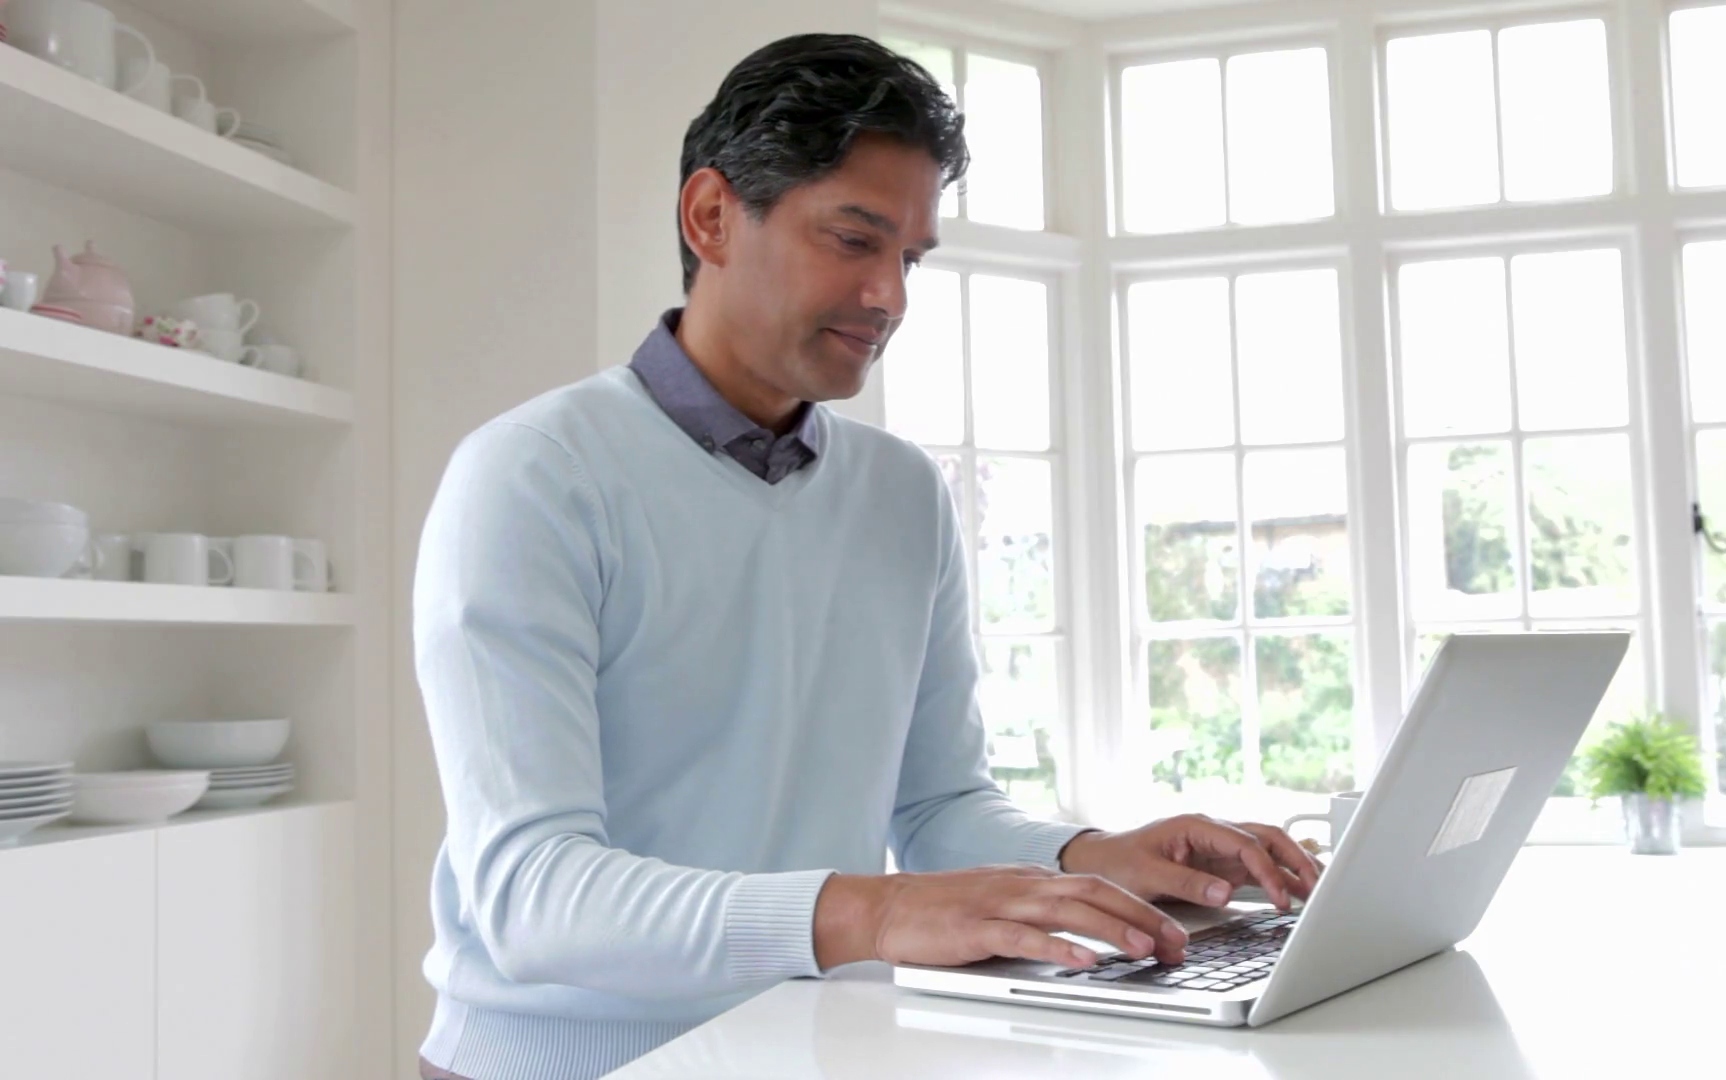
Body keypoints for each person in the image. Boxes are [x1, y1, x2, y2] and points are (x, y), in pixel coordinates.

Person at [413, 32, 1321, 1080]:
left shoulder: (901, 494)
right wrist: (875, 910)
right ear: (711, 216)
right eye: (854, 239)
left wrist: (1091, 858)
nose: (891, 295)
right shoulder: (532, 478)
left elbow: (938, 810)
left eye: (911, 257)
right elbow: (533, 896)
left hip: (811, 1052)